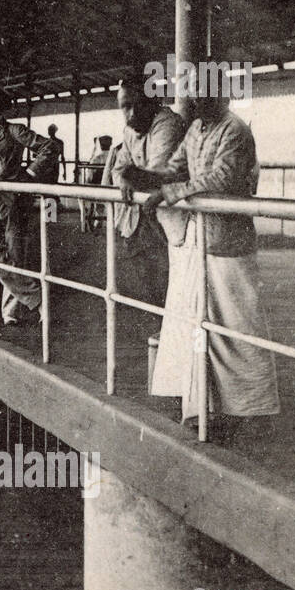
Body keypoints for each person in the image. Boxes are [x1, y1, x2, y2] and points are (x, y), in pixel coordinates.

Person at [120, 92, 281, 433]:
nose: (195, 104)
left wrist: (171, 192)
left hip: (227, 241)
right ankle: (203, 404)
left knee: (236, 324)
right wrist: (140, 177)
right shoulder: (196, 129)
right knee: (195, 319)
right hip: (197, 238)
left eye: (203, 97)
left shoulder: (234, 130)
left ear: (221, 97)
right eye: (193, 98)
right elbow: (173, 168)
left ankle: (251, 406)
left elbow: (222, 179)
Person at [0, 80, 59, 325]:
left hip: (14, 201)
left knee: (15, 256)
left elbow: (48, 147)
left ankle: (11, 312)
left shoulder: (14, 130)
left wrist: (29, 175)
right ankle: (39, 300)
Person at [109, 77, 187, 307]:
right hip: (142, 219)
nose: (130, 113)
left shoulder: (167, 123)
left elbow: (156, 174)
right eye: (124, 106)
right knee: (150, 281)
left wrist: (128, 176)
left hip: (170, 220)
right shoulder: (130, 130)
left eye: (136, 104)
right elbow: (118, 169)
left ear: (152, 102)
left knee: (171, 283)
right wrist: (124, 177)